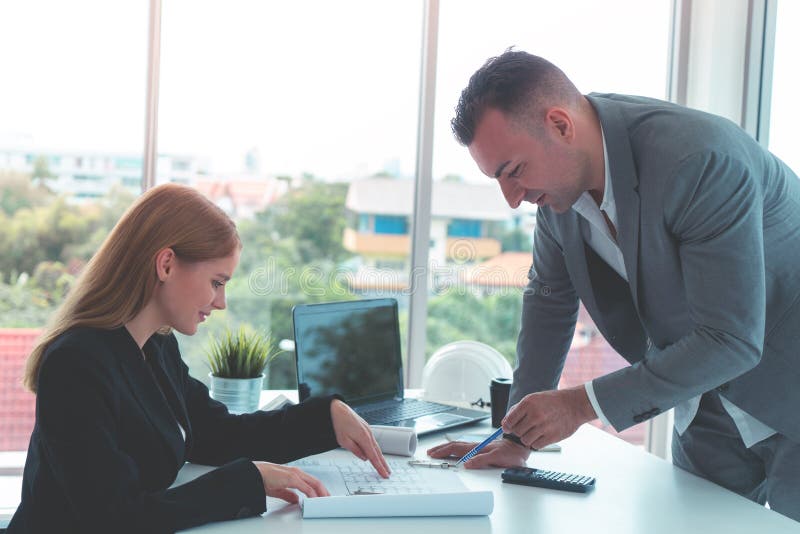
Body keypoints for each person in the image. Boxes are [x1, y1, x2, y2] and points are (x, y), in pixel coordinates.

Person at [428, 50, 800, 521]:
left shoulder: (700, 160)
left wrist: (580, 405)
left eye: (514, 171)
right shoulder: (557, 198)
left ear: (560, 125)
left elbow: (730, 338)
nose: (512, 199)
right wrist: (515, 437)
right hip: (706, 406)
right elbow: (548, 306)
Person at [8, 183, 390, 533]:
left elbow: (215, 433)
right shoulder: (76, 365)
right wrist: (249, 481)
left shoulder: (155, 346)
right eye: (216, 282)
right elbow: (117, 518)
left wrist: (325, 417)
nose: (221, 302)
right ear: (167, 264)